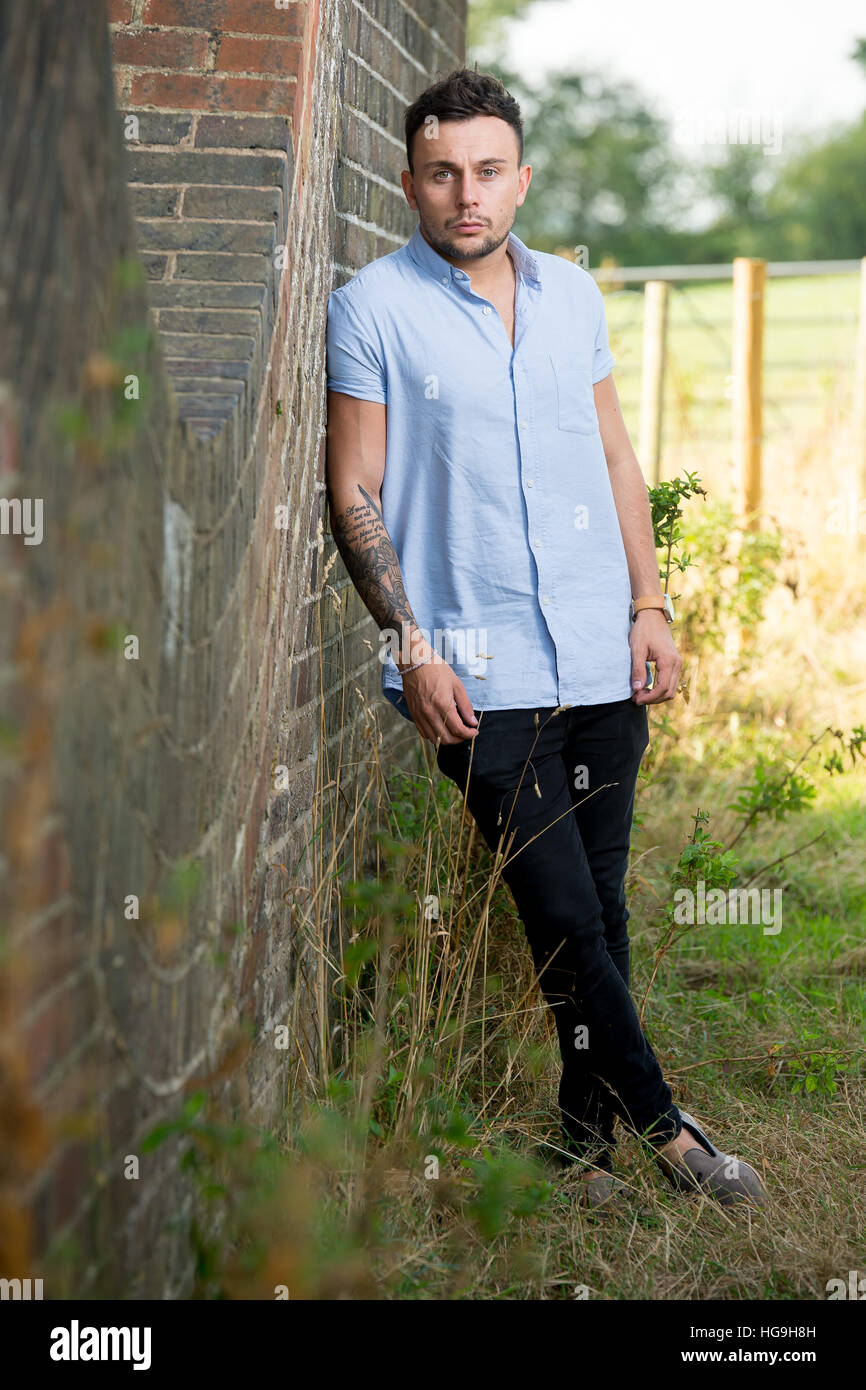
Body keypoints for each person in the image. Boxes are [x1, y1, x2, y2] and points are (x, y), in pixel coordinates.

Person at [325, 68, 766, 1211]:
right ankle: (671, 1133)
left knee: (602, 907)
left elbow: (614, 458)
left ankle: (579, 1147)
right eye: (439, 173)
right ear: (410, 181)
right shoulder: (370, 307)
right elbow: (354, 491)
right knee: (558, 909)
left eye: (484, 171)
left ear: (519, 178)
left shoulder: (573, 297)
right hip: (471, 674)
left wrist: (647, 603)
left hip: (595, 653)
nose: (463, 195)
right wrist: (412, 641)